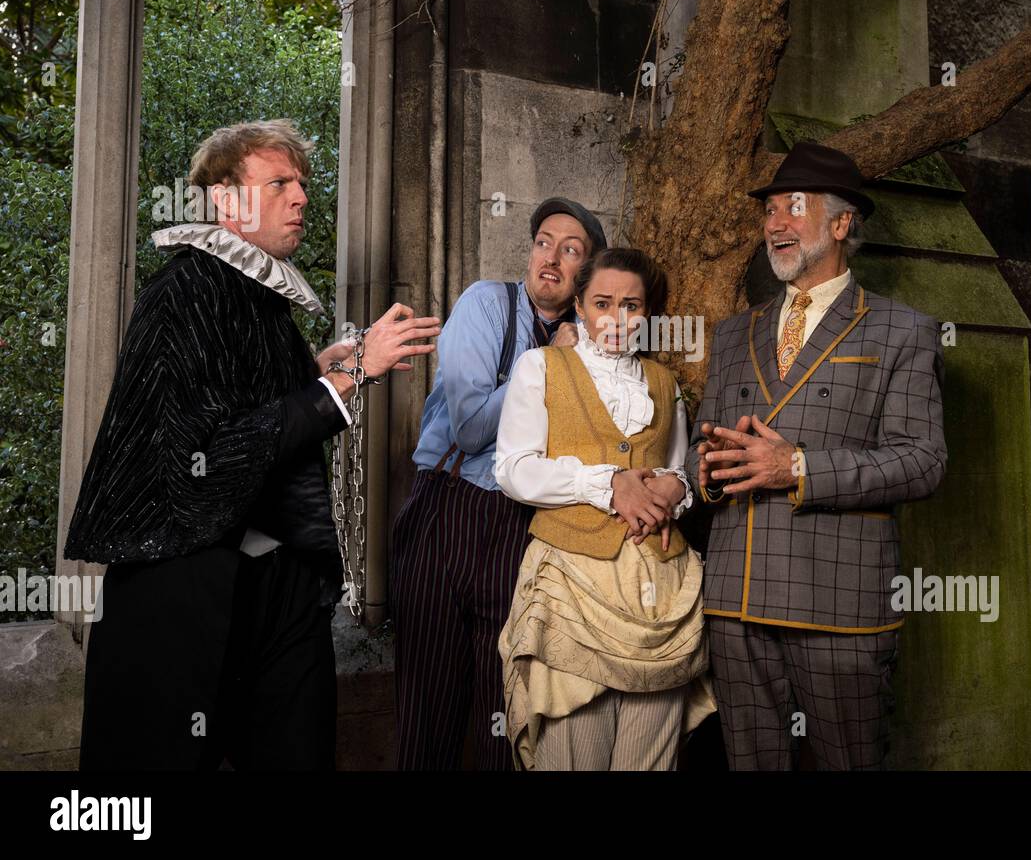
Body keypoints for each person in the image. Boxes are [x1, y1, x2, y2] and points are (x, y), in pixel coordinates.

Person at [65, 119, 440, 770]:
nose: (301, 197)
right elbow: (202, 459)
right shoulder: (185, 291)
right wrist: (347, 378)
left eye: (302, 183)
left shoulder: (256, 294)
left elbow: (243, 407)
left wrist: (317, 370)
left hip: (278, 586)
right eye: (279, 184)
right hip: (183, 585)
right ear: (225, 200)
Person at [691, 141, 947, 770]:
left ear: (840, 223)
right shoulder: (734, 333)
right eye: (770, 210)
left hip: (838, 604)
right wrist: (710, 472)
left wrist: (796, 467)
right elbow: (705, 447)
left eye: (794, 207)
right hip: (736, 601)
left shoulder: (902, 330)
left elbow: (923, 460)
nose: (775, 223)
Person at [389, 197, 606, 770]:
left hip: (522, 529)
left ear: (586, 272)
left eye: (570, 250)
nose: (550, 258)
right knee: (428, 714)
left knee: (504, 715)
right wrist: (546, 361)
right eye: (543, 243)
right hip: (448, 511)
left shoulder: (593, 342)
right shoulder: (486, 304)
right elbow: (470, 428)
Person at [493, 247, 714, 770]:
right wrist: (609, 483)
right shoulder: (541, 367)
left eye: (631, 305)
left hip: (659, 596)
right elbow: (513, 469)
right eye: (603, 303)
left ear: (647, 313)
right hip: (573, 588)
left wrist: (676, 490)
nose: (617, 317)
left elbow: (676, 472)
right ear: (579, 306)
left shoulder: (664, 383)